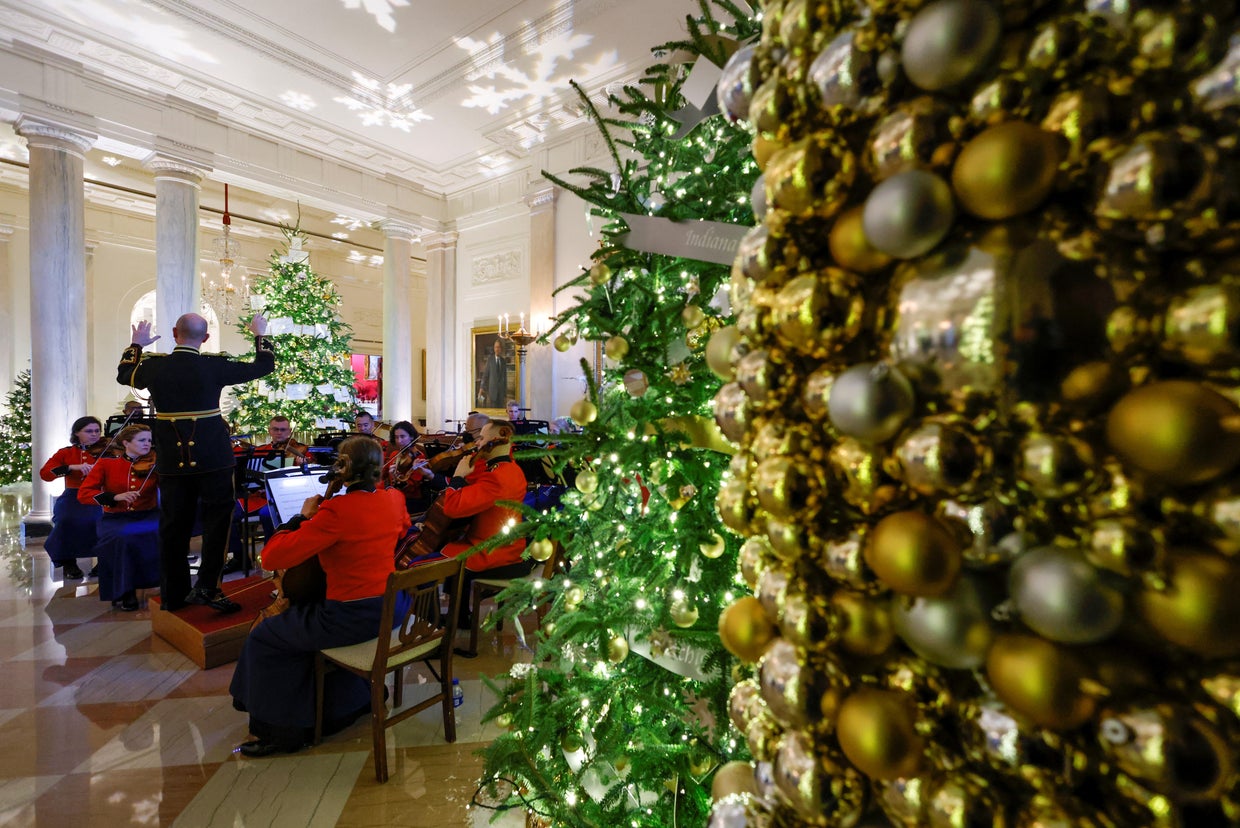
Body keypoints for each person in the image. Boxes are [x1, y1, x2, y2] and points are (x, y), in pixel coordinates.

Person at [229, 436, 410, 757]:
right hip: (392, 607)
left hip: (354, 616)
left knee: (267, 635)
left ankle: (281, 732)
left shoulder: (335, 512)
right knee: (299, 626)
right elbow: (400, 528)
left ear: (344, 469)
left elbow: (272, 558)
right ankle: (349, 702)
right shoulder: (394, 499)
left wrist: (301, 518)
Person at [118, 312, 275, 613]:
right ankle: (208, 588)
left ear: (175, 333)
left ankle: (173, 595)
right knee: (218, 524)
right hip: (214, 456)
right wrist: (260, 333)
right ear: (204, 339)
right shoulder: (215, 365)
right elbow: (263, 366)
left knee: (173, 526)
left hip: (171, 459)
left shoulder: (153, 365)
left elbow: (125, 375)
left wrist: (136, 344)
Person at [440, 417, 529, 621]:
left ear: (499, 438)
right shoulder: (512, 469)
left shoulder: (496, 477)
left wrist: (458, 477)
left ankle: (434, 626)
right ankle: (459, 616)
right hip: (506, 545)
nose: (477, 443)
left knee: (422, 565)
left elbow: (452, 508)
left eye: (481, 438)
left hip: (491, 551)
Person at [78, 424, 160, 611]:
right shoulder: (107, 464)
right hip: (116, 517)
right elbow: (84, 494)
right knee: (121, 538)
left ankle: (168, 584)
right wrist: (114, 497)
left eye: (149, 440)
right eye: (142, 440)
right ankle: (126, 590)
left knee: (167, 532)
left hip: (149, 515)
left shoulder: (154, 464)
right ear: (126, 443)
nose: (147, 444)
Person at [39, 416, 105, 580]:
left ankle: (105, 560)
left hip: (99, 494)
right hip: (73, 494)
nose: (94, 434)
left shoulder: (108, 451)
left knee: (102, 520)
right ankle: (68, 561)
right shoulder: (66, 453)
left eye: (97, 431)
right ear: (77, 433)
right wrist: (70, 467)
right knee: (66, 520)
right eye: (89, 431)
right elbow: (45, 474)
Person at [380, 420, 433, 514]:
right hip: (393, 495)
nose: (399, 441)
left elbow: (411, 487)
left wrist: (395, 478)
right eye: (396, 437)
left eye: (402, 436)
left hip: (410, 499)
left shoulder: (418, 456)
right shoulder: (395, 454)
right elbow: (383, 476)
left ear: (411, 437)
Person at [478, 340, 507, 408]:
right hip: (492, 393)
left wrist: (505, 395)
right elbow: (485, 375)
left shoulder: (503, 361)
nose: (497, 349)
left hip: (501, 394)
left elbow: (505, 378)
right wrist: (481, 388)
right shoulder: (490, 360)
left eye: (499, 347)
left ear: (501, 349)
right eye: (496, 347)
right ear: (494, 349)